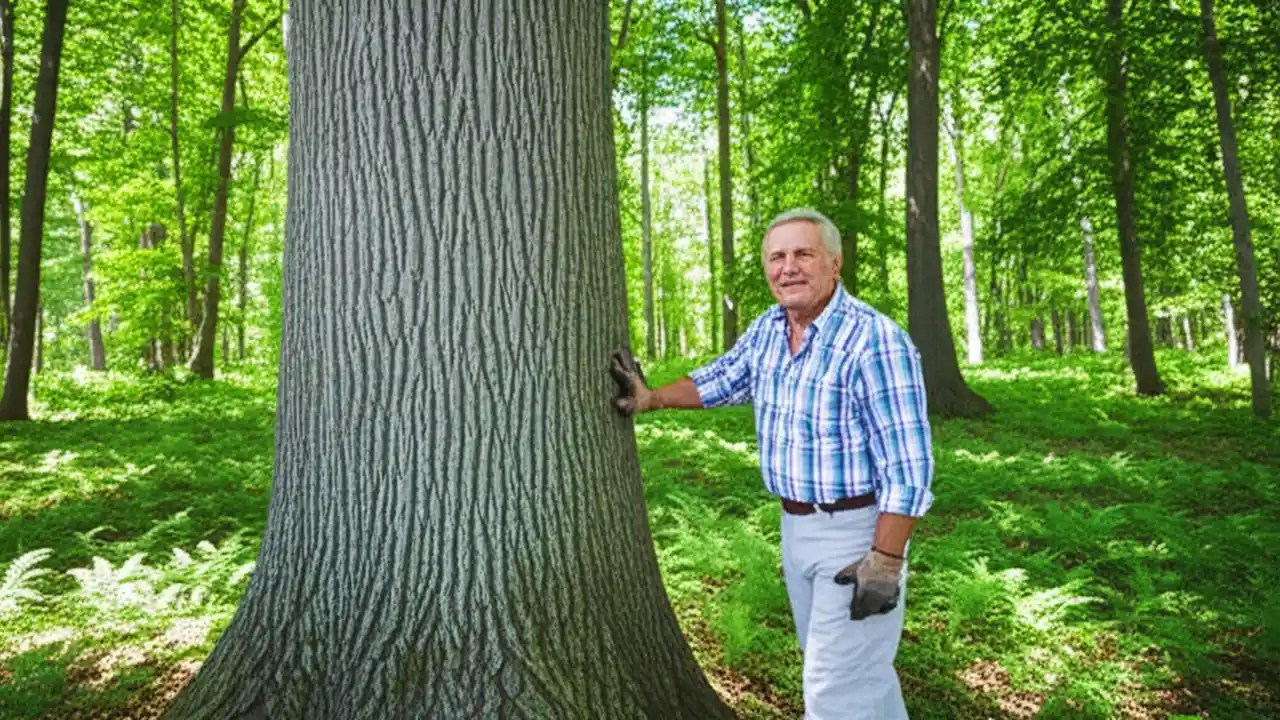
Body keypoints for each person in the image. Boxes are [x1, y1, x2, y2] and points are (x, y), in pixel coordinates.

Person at [610, 208, 934, 719]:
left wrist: (886, 561)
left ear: (834, 263)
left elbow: (909, 467)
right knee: (854, 676)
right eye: (777, 257)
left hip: (856, 536)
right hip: (796, 528)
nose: (788, 267)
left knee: (833, 690)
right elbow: (721, 378)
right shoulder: (769, 330)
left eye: (803, 254)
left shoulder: (874, 339)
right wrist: (653, 398)